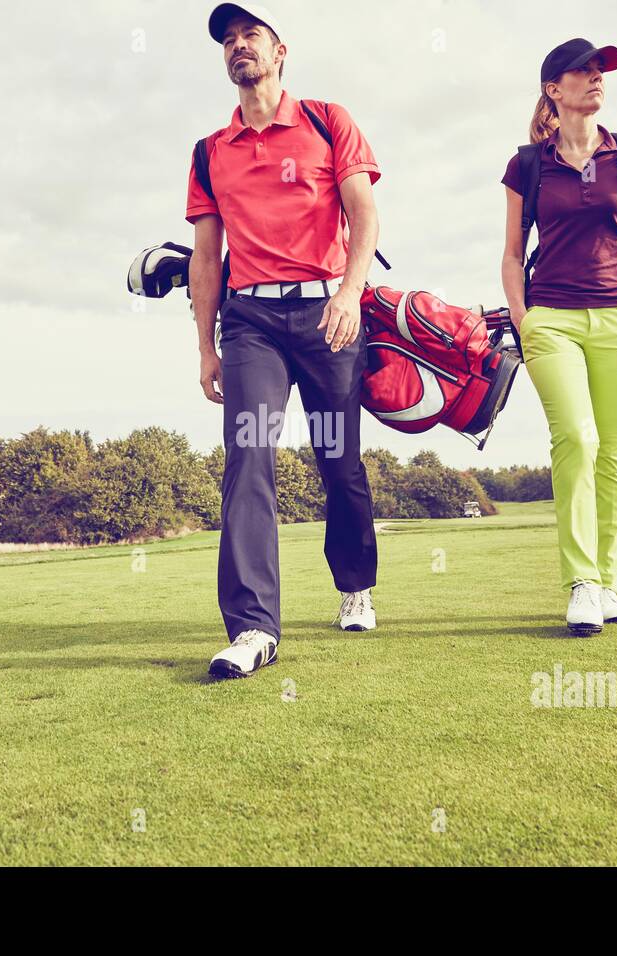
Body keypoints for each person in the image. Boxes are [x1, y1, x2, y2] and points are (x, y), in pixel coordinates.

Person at [187, 3, 383, 678]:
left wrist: (350, 293)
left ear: (280, 52)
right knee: (248, 457)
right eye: (229, 41)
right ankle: (252, 628)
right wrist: (206, 345)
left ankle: (354, 584)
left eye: (251, 37)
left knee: (339, 460)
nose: (239, 47)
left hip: (328, 314)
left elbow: (363, 213)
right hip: (250, 324)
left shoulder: (329, 122)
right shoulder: (210, 152)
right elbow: (205, 257)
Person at [500, 38, 617, 635]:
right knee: (576, 437)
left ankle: (610, 584)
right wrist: (523, 318)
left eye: (601, 72)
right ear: (554, 90)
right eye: (583, 71)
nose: (596, 79)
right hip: (553, 318)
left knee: (616, 456)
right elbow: (513, 252)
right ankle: (582, 584)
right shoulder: (528, 163)